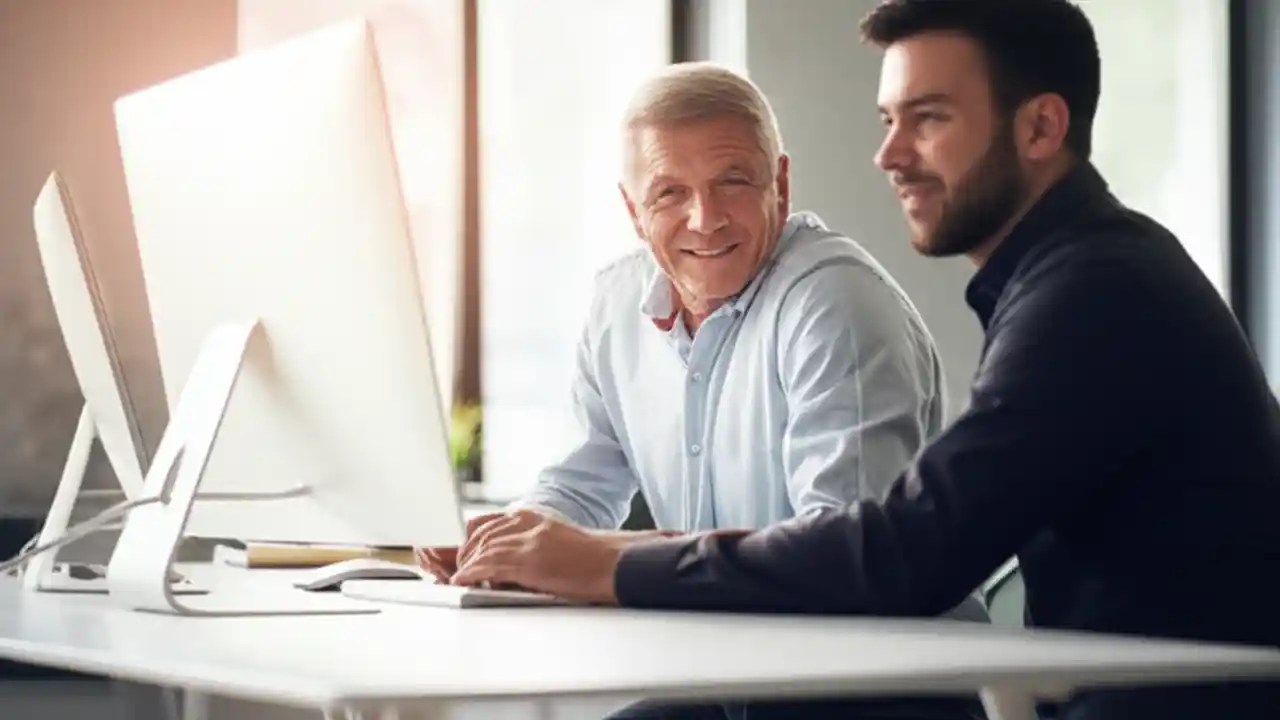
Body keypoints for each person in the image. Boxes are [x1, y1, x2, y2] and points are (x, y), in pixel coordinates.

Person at [447, 2, 1280, 719]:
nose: (888, 155)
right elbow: (920, 538)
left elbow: (895, 555)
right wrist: (524, 547)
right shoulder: (1073, 279)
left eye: (930, 119)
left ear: (1039, 128)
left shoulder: (1095, 296)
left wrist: (610, 561)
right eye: (889, 122)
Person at [421, 63, 963, 605]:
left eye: (733, 182)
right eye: (669, 193)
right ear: (634, 212)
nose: (705, 219)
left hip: (873, 654)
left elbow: (845, 559)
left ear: (780, 185)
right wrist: (506, 543)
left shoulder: (833, 304)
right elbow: (581, 484)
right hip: (723, 648)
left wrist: (612, 560)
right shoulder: (616, 304)